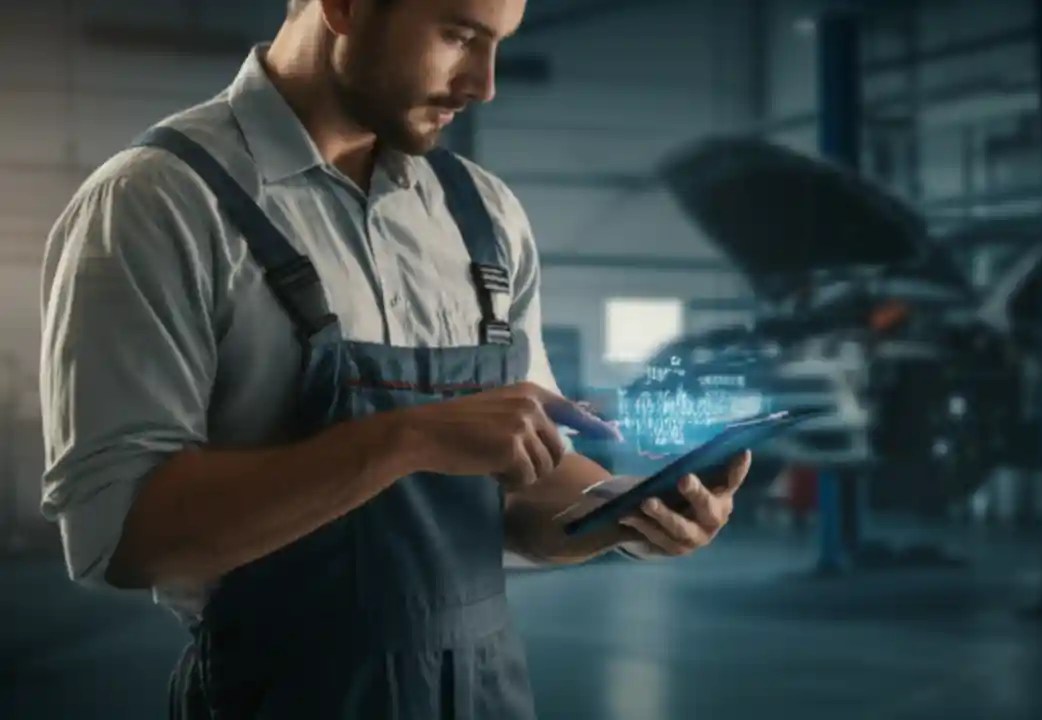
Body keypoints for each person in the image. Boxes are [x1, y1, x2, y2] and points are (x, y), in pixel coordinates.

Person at [38, 0, 751, 717]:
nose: (484, 83)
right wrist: (405, 437)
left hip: (488, 691)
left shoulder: (486, 217)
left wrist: (620, 515)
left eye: (497, 44)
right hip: (285, 694)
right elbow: (123, 536)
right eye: (459, 35)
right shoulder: (159, 203)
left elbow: (522, 477)